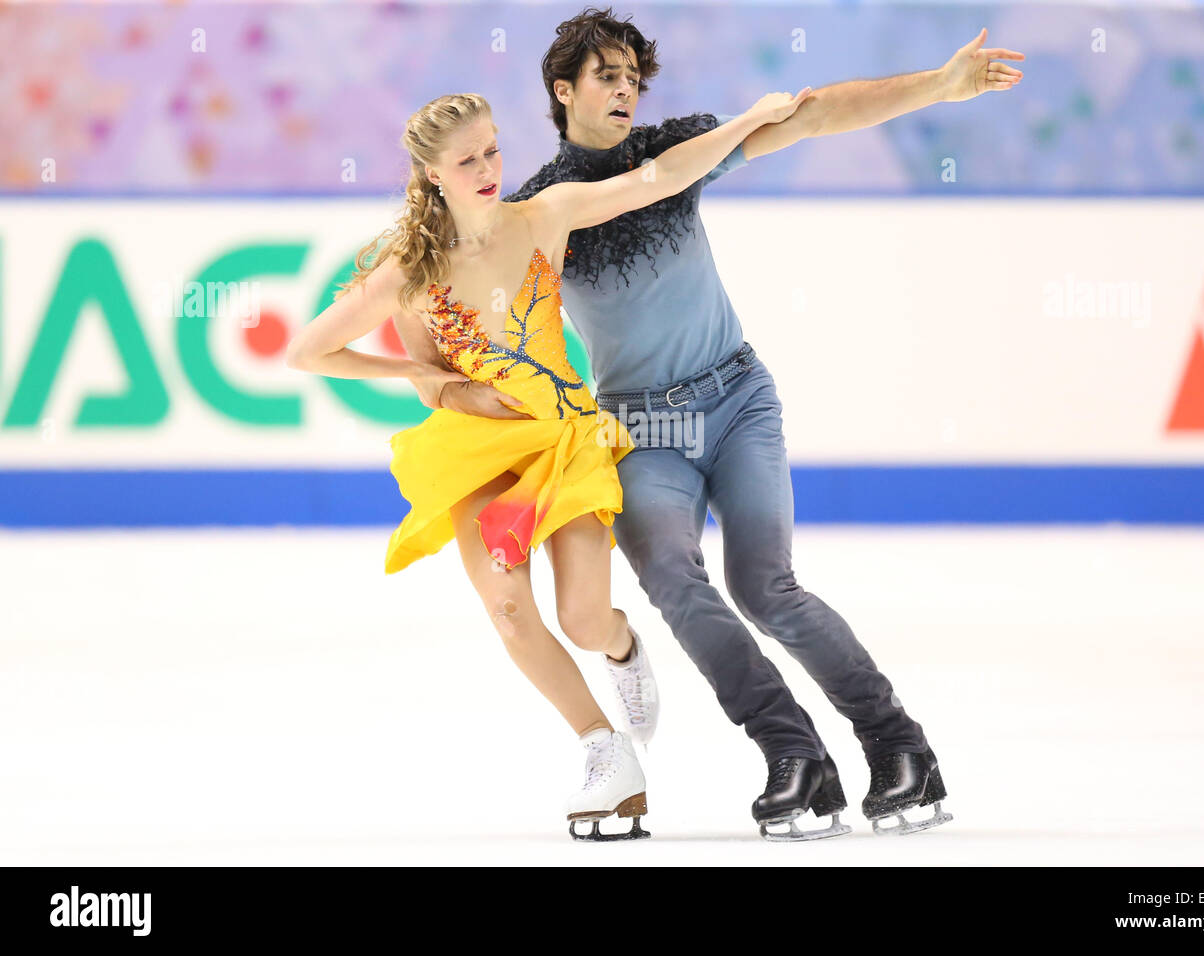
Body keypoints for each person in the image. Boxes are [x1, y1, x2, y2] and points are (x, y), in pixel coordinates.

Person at [454, 7, 1019, 841]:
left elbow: (815, 111)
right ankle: (794, 755)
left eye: (630, 76)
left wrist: (939, 84)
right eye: (603, 75)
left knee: (766, 586)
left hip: (737, 399)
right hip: (642, 430)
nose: (622, 90)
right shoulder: (539, 211)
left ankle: (898, 746)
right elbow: (461, 287)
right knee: (675, 582)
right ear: (561, 89)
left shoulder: (675, 150)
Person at [285, 88, 810, 840]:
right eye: (467, 160)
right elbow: (309, 351)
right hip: (478, 453)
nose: (489, 167)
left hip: (564, 442)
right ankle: (605, 752)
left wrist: (747, 124)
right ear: (432, 174)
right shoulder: (408, 267)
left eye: (493, 148)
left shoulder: (543, 216)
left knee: (582, 617)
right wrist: (427, 379)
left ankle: (623, 645)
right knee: (507, 608)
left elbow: (653, 180)